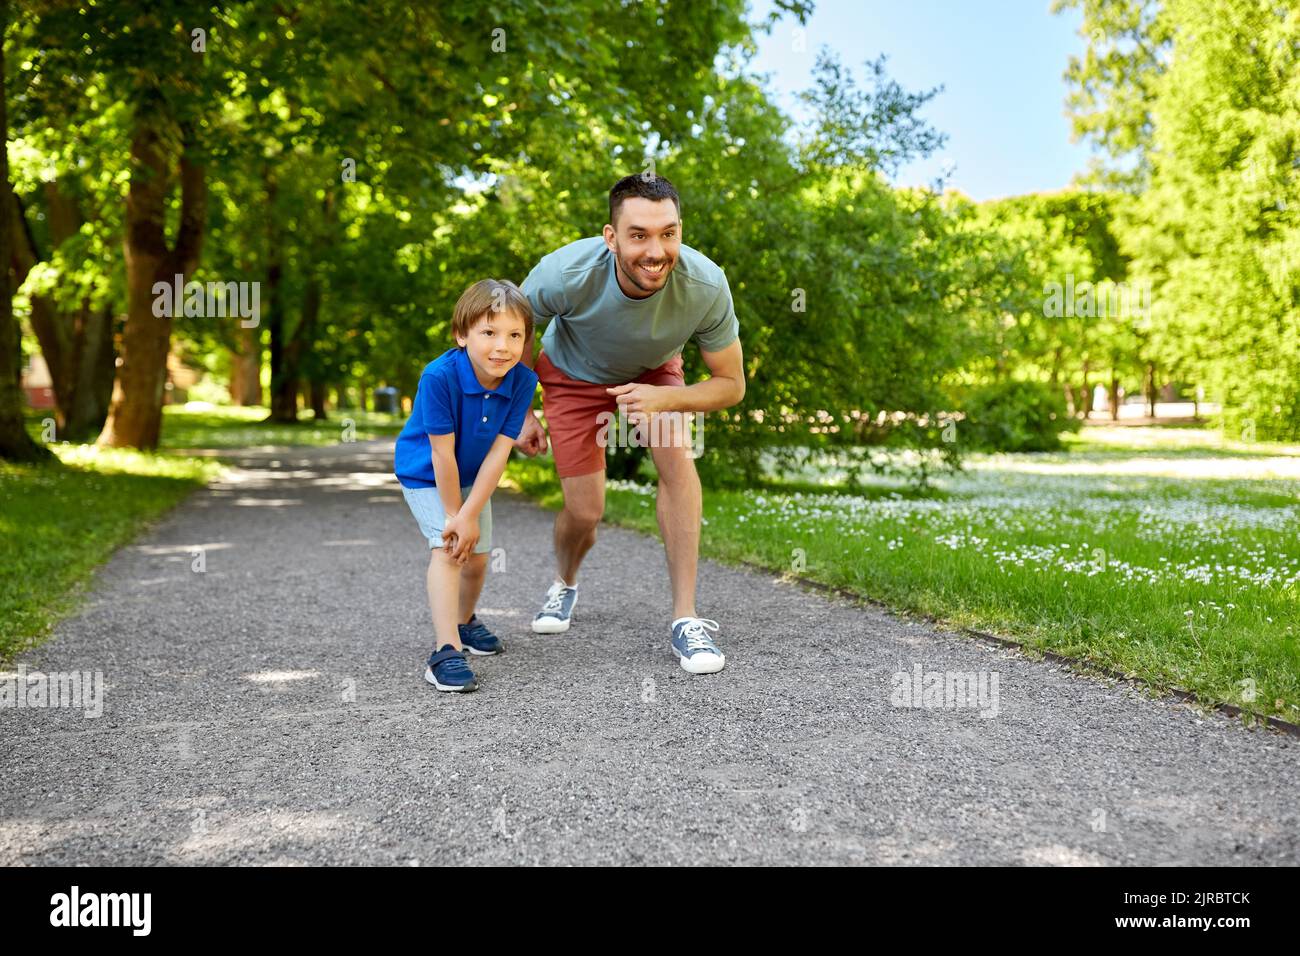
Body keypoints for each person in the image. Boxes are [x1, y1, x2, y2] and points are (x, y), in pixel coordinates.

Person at [516, 174, 746, 674]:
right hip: (571, 376)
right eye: (639, 234)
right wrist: (522, 413)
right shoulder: (563, 273)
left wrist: (668, 398)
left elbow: (731, 384)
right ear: (611, 237)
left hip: (656, 374)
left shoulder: (705, 286)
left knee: (679, 468)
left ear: (681, 231)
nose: (656, 250)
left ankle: (686, 618)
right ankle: (565, 582)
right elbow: (513, 337)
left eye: (669, 233)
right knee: (584, 512)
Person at [393, 279, 539, 692]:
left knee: (477, 557)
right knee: (450, 548)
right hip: (426, 473)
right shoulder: (439, 377)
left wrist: (471, 513)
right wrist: (457, 518)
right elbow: (442, 455)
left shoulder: (522, 381)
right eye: (489, 332)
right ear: (462, 334)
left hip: (474, 473)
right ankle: (445, 650)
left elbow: (498, 454)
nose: (502, 346)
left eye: (514, 335)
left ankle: (465, 620)